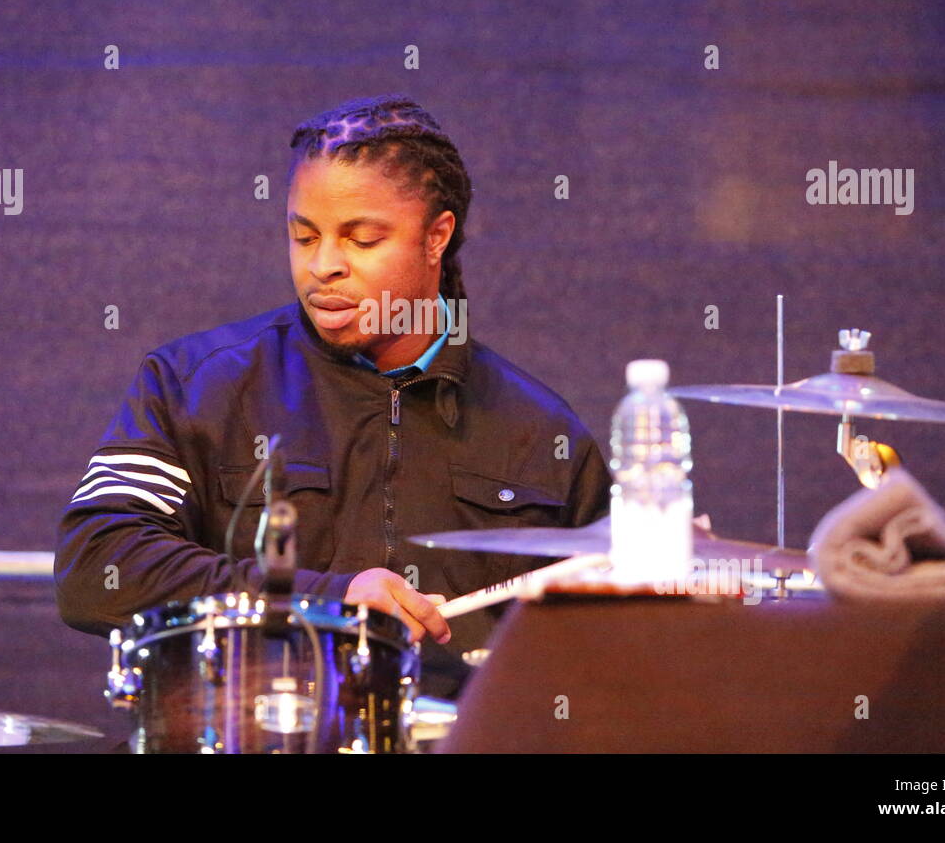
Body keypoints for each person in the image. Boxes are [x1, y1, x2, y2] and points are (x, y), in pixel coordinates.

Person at [54, 93, 612, 696]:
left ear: (437, 237)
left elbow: (608, 654)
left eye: (361, 239)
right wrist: (322, 600)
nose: (323, 265)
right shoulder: (194, 382)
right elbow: (94, 567)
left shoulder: (541, 433)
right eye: (304, 236)